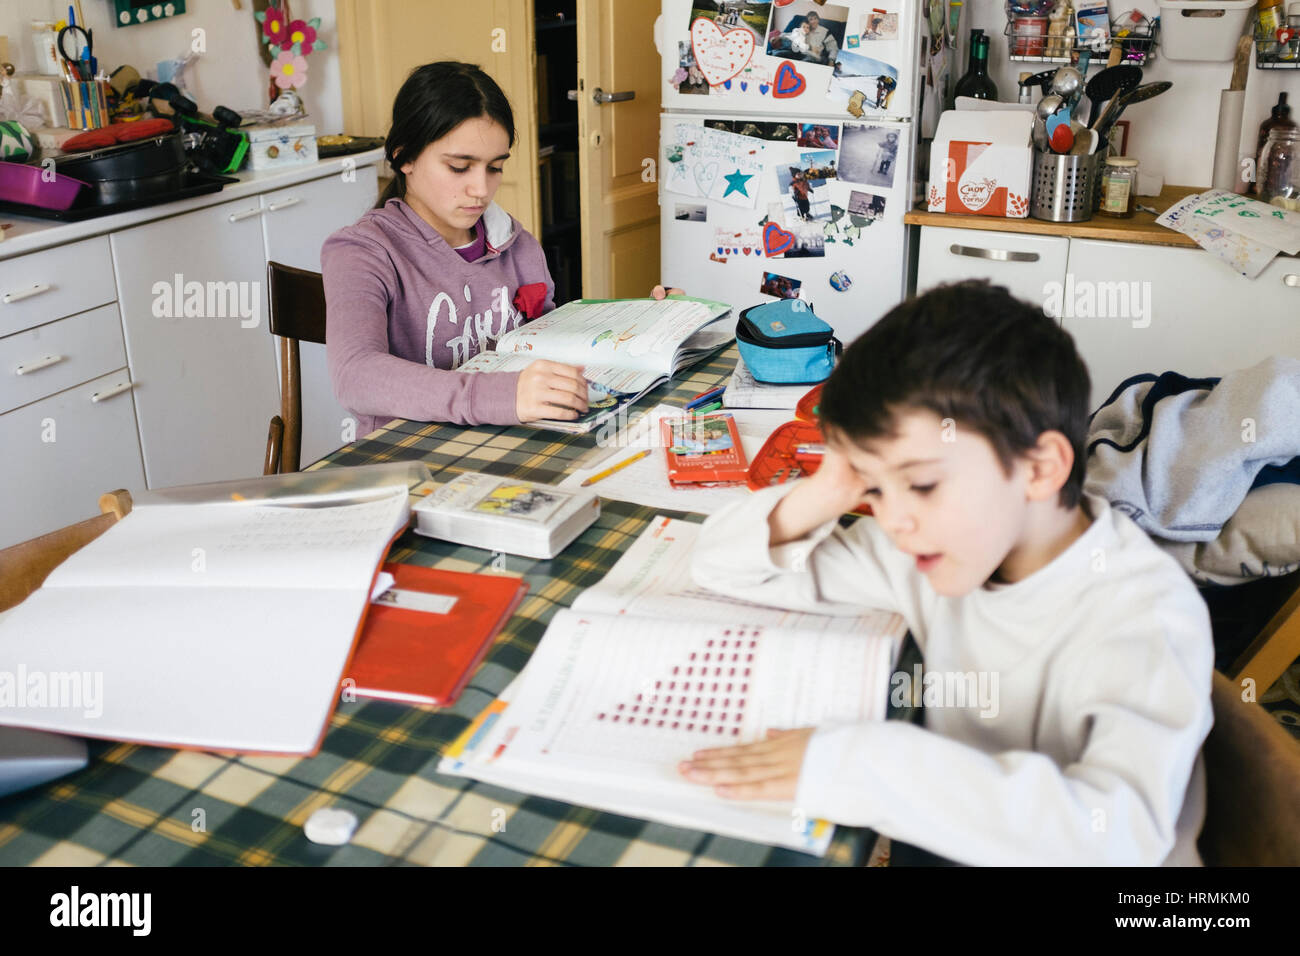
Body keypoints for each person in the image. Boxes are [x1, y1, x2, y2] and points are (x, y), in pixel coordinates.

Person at [681, 280, 1214, 866]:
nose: (893, 519)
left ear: (1039, 469)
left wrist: (867, 764)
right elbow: (719, 566)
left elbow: (1115, 838)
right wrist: (829, 488)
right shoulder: (928, 546)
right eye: (876, 488)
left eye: (924, 483)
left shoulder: (1146, 616)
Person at [323, 62, 677, 435]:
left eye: (495, 168)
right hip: (406, 457)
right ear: (404, 156)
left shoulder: (516, 243)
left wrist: (644, 329)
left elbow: (545, 343)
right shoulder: (363, 251)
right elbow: (355, 375)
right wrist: (498, 395)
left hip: (510, 442)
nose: (481, 189)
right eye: (460, 167)